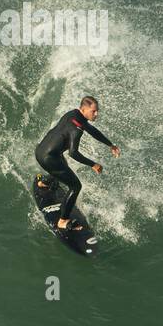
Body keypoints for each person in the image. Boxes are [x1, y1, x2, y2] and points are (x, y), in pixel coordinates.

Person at [34, 95, 120, 229]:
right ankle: (62, 221)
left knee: (63, 166)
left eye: (97, 111)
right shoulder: (77, 130)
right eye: (93, 111)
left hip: (40, 151)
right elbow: (73, 153)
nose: (96, 114)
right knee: (75, 186)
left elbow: (91, 130)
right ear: (84, 109)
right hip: (49, 159)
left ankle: (44, 183)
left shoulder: (73, 114)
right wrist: (93, 164)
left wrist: (110, 145)